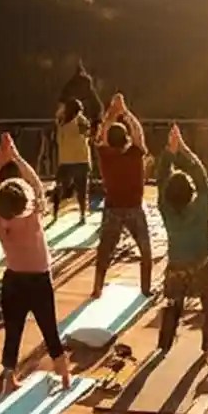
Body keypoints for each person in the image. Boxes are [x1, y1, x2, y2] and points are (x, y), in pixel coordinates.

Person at [0, 133, 70, 391]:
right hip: (39, 282)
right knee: (49, 331)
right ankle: (65, 377)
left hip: (13, 282)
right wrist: (15, 157)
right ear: (25, 202)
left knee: (13, 331)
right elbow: (37, 184)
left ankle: (9, 378)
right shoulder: (31, 220)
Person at [156, 124, 208, 357]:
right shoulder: (201, 205)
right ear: (191, 192)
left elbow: (161, 178)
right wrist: (182, 148)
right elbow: (200, 175)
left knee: (174, 304)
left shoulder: (166, 209)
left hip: (177, 267)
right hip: (202, 264)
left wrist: (169, 153)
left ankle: (164, 345)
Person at [92, 94, 152, 298]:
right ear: (126, 139)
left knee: (105, 251)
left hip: (113, 208)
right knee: (146, 251)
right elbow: (138, 133)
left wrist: (111, 113)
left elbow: (102, 135)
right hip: (134, 208)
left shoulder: (105, 156)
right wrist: (124, 111)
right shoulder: (135, 153)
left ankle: (97, 289)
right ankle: (146, 289)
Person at [53, 98, 92, 224]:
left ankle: (56, 212)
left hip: (67, 159)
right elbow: (87, 132)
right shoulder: (78, 121)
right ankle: (81, 214)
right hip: (79, 159)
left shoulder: (63, 122)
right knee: (81, 189)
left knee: (61, 186)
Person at [59, 60, 104, 134]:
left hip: (74, 125)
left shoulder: (69, 87)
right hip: (84, 123)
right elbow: (98, 109)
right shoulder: (84, 86)